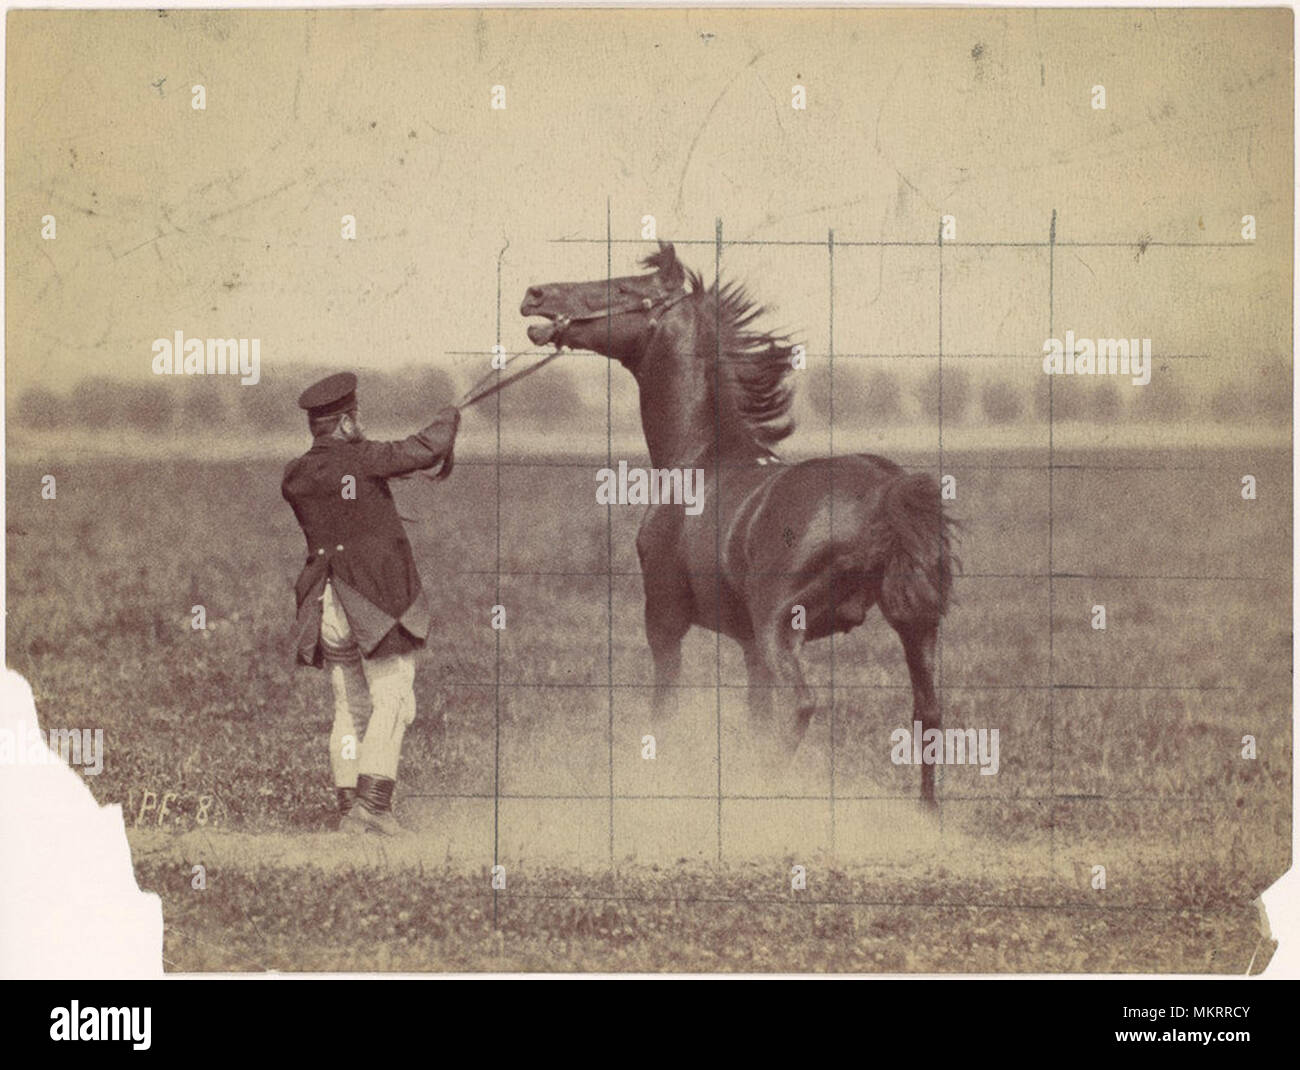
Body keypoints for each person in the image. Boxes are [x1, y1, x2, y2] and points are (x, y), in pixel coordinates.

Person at [281, 372, 460, 835]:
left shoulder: (296, 474)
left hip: (324, 602)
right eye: (355, 418)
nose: (358, 425)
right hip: (371, 602)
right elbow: (422, 450)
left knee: (349, 707)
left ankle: (349, 810)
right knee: (394, 698)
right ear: (343, 424)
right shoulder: (361, 457)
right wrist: (448, 418)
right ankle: (374, 808)